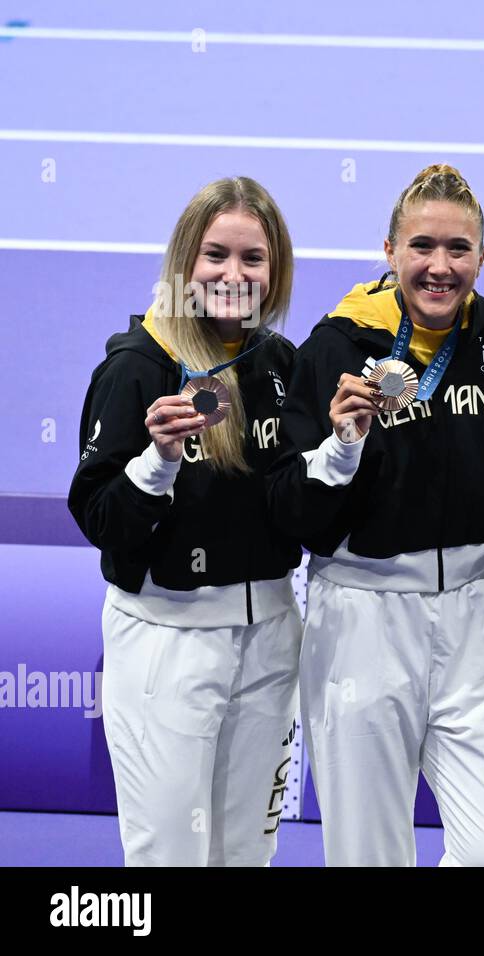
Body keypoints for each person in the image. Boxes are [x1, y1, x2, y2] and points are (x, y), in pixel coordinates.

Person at [268, 164, 484, 866]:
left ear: (482, 257)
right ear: (389, 252)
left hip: (474, 618)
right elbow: (291, 508)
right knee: (369, 857)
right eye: (422, 247)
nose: (440, 267)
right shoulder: (337, 346)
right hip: (361, 617)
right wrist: (342, 448)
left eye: (458, 249)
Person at [69, 177, 301, 866]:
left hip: (270, 641)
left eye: (252, 259)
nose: (234, 275)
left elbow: (300, 506)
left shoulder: (280, 366)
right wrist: (159, 459)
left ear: (275, 269)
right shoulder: (139, 366)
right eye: (216, 256)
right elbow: (101, 516)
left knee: (246, 856)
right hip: (167, 646)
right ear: (184, 263)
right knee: (169, 856)